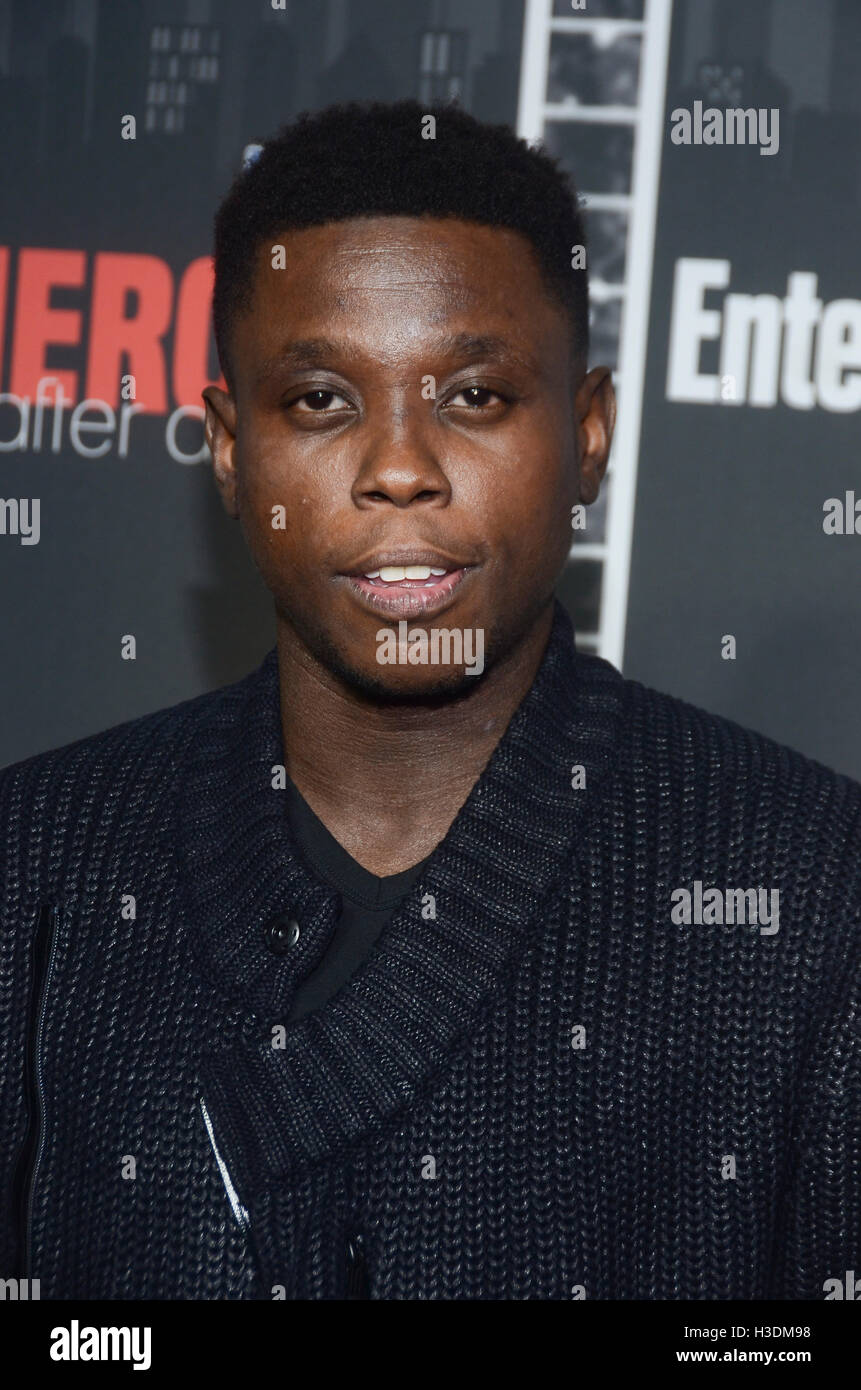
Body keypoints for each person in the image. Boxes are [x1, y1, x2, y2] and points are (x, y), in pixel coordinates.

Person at [1, 100, 858, 1301]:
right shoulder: (36, 861)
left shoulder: (813, 894)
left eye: (473, 395)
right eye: (320, 401)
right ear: (232, 450)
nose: (398, 466)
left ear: (589, 436)